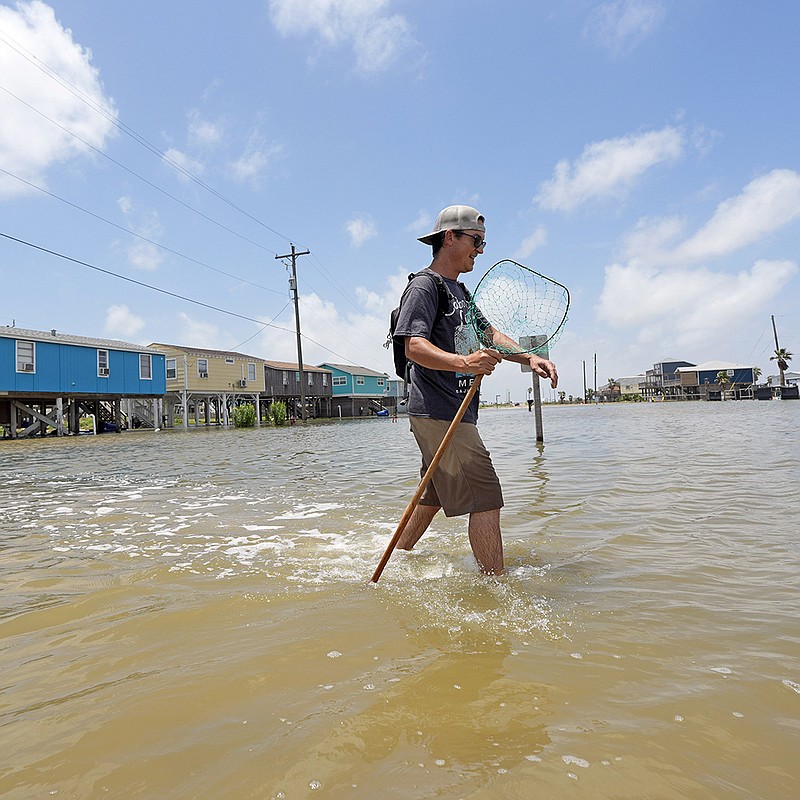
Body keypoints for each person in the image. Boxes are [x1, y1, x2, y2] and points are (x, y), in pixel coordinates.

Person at [392, 205, 558, 575]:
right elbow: (413, 346)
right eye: (476, 241)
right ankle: (496, 588)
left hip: (453, 411)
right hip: (437, 409)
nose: (480, 250)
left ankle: (397, 560)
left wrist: (529, 358)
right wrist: (465, 363)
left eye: (484, 243)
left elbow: (491, 336)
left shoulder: (461, 291)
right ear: (449, 237)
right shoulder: (424, 286)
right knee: (486, 497)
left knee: (432, 495)